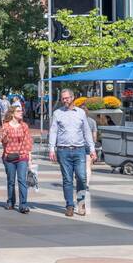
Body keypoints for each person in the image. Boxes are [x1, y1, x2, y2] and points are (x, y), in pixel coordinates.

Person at [49, 88, 95, 218]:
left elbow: (86, 132)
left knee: (81, 177)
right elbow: (53, 131)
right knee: (67, 179)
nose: (65, 100)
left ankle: (81, 203)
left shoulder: (80, 113)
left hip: (79, 149)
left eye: (67, 98)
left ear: (72, 97)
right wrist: (52, 148)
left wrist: (92, 149)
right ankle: (69, 205)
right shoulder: (57, 113)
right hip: (63, 150)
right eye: (63, 98)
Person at [0, 101, 33, 212]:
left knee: (22, 180)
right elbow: (3, 142)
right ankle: (10, 202)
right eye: (18, 111)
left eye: (21, 111)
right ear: (12, 113)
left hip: (22, 156)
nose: (21, 112)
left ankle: (23, 204)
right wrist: (5, 138)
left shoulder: (24, 126)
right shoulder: (6, 126)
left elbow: (28, 142)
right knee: (11, 180)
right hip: (9, 157)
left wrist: (30, 158)